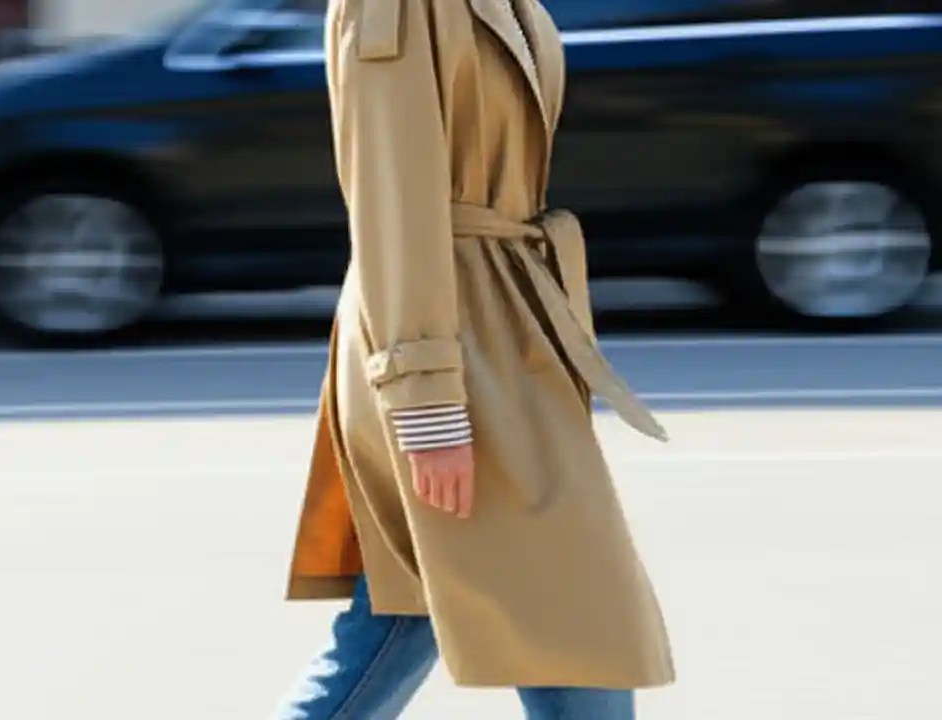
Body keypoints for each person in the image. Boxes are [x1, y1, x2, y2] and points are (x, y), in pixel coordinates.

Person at [273, 0, 674, 716]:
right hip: (451, 336)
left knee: (418, 610)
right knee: (572, 611)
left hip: (502, 324)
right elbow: (392, 201)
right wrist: (425, 403)